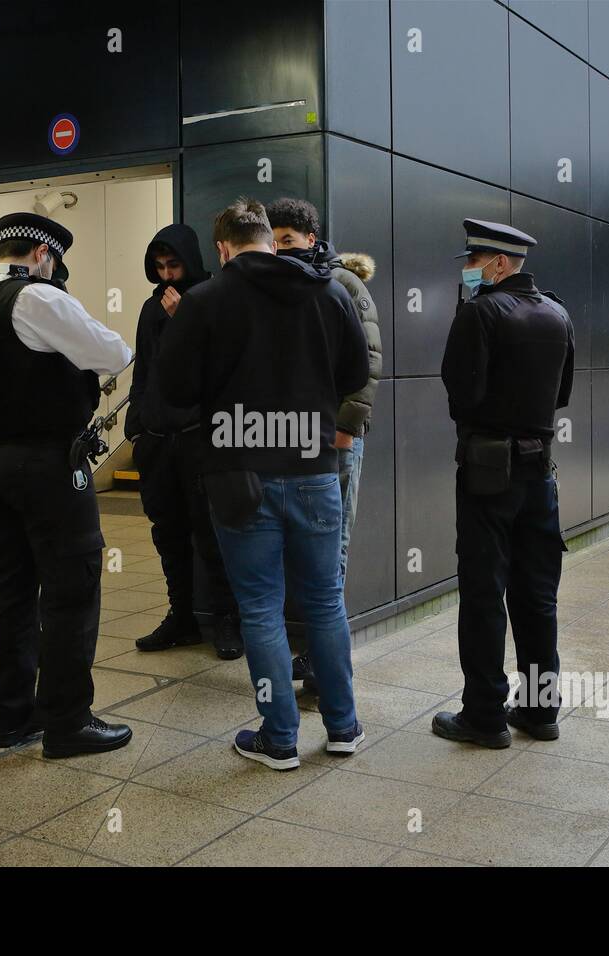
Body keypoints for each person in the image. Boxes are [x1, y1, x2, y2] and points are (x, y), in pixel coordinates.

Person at [158, 198, 369, 770]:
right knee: (326, 602)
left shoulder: (205, 301)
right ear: (271, 242)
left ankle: (279, 738)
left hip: (238, 474)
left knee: (259, 609)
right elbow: (354, 376)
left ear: (223, 247)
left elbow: (172, 390)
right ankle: (344, 726)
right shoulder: (330, 293)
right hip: (314, 470)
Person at [0, 212, 135, 758]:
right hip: (49, 464)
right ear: (45, 256)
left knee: (9, 594)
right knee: (71, 592)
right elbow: (115, 354)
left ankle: (11, 716)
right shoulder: (41, 299)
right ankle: (68, 720)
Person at [434, 219, 575, 749]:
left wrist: (463, 312)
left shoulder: (480, 312)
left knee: (483, 594)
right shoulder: (557, 312)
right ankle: (540, 712)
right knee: (538, 597)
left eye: (473, 262)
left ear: (495, 264)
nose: (467, 271)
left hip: (488, 473)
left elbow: (461, 396)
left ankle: (485, 716)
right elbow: (561, 395)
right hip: (541, 474)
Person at [265, 198, 382, 688]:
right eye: (273, 243)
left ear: (312, 239)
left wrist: (346, 427)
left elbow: (369, 359)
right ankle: (316, 654)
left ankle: (324, 665)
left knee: (331, 545)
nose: (279, 250)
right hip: (290, 437)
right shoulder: (279, 287)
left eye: (288, 241)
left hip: (332, 438)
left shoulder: (344, 284)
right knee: (305, 548)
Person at [124, 224, 243, 660]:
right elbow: (144, 372)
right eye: (159, 267)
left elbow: (218, 364)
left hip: (200, 437)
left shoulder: (209, 298)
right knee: (168, 533)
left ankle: (227, 618)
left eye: (174, 265)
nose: (167, 275)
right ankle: (181, 616)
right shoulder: (150, 306)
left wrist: (182, 320)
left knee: (211, 533)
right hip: (157, 439)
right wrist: (135, 429)